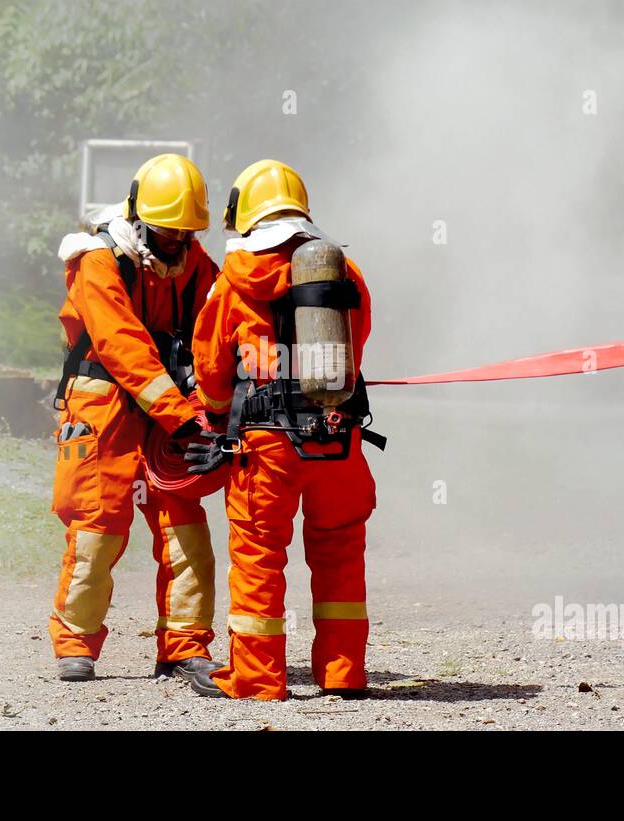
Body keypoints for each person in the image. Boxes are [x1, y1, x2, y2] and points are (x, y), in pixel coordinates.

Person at [186, 159, 380, 700]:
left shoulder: (234, 281)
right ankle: (344, 674)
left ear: (244, 217)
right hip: (339, 439)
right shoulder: (345, 271)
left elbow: (211, 366)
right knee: (341, 553)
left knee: (258, 558)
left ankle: (257, 677)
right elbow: (355, 343)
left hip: (267, 444)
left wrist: (222, 416)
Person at [47, 153, 221, 684]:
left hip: (170, 409)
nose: (178, 241)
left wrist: (212, 407)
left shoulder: (194, 263)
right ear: (141, 215)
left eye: (187, 232)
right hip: (106, 406)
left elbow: (216, 327)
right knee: (98, 527)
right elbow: (122, 346)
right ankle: (75, 644)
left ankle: (185, 647)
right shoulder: (99, 261)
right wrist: (182, 417)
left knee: (185, 527)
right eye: (170, 231)